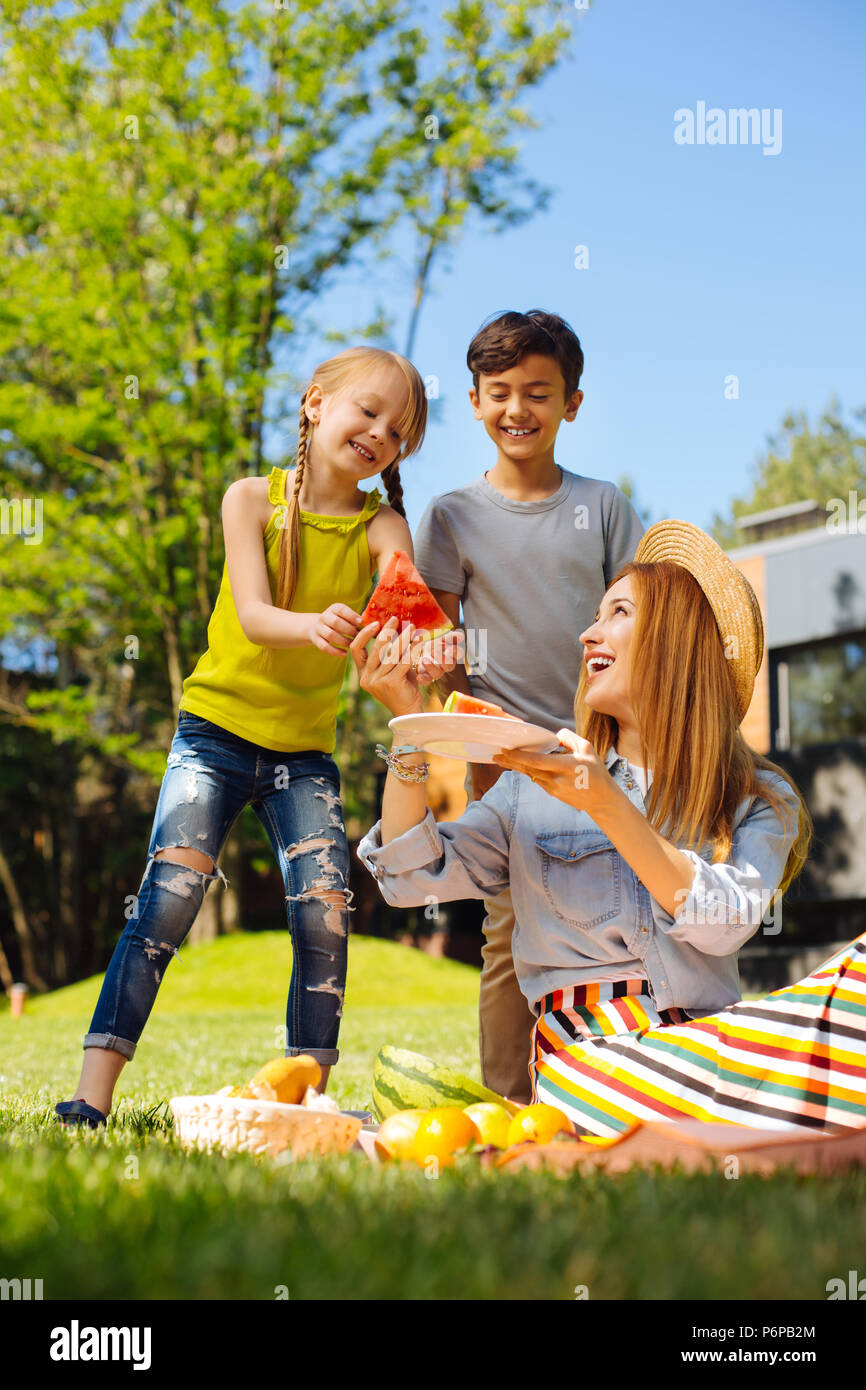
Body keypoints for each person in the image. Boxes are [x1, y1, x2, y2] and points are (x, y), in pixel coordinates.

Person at [352, 521, 866, 1136]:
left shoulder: (757, 795)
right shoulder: (528, 787)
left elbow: (726, 922)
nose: (586, 633)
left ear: (676, 644)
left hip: (710, 1043)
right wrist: (412, 726)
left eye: (617, 612)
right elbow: (409, 878)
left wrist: (606, 803)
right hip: (590, 1068)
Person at [55, 346, 456, 1128]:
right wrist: (317, 625)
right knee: (167, 902)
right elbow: (254, 615)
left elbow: (403, 593)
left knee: (325, 910)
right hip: (214, 734)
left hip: (303, 756)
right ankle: (90, 1096)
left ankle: (308, 1099)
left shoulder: (381, 524)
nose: (380, 433)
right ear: (314, 404)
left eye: (398, 430)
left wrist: (428, 638)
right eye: (367, 411)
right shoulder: (250, 499)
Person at [412, 308, 644, 1103]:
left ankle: (624, 1082)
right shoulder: (451, 517)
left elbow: (642, 622)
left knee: (626, 907)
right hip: (504, 758)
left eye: (538, 392)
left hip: (602, 750)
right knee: (510, 931)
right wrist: (484, 743)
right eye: (500, 391)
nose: (518, 409)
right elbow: (440, 651)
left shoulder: (604, 506)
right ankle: (509, 1101)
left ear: (571, 403)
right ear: (475, 402)